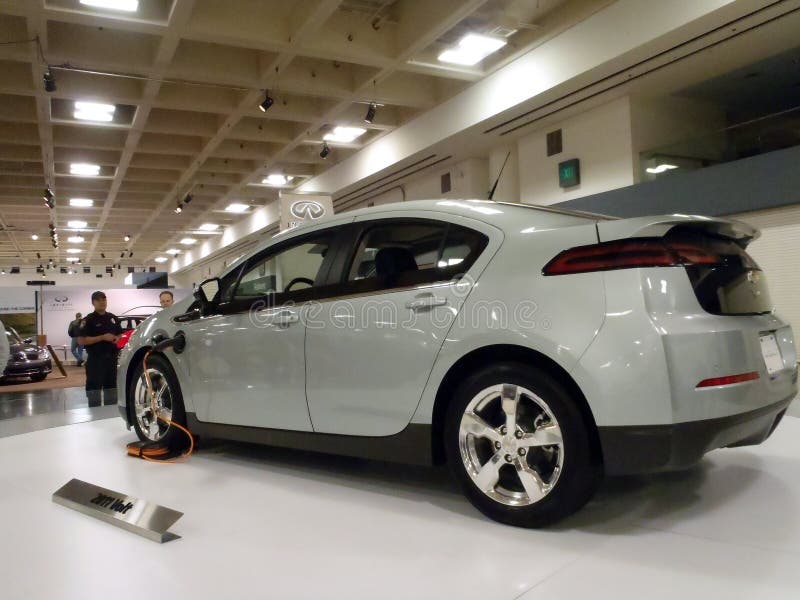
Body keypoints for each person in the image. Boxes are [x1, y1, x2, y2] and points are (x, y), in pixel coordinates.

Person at [77, 291, 122, 407]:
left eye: (104, 299)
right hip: (95, 361)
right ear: (93, 303)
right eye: (99, 300)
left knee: (111, 388)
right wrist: (102, 337)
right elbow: (81, 340)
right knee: (94, 390)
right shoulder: (88, 320)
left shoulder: (113, 318)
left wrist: (117, 338)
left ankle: (109, 415)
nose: (102, 302)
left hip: (112, 360)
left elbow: (120, 334)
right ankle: (94, 415)